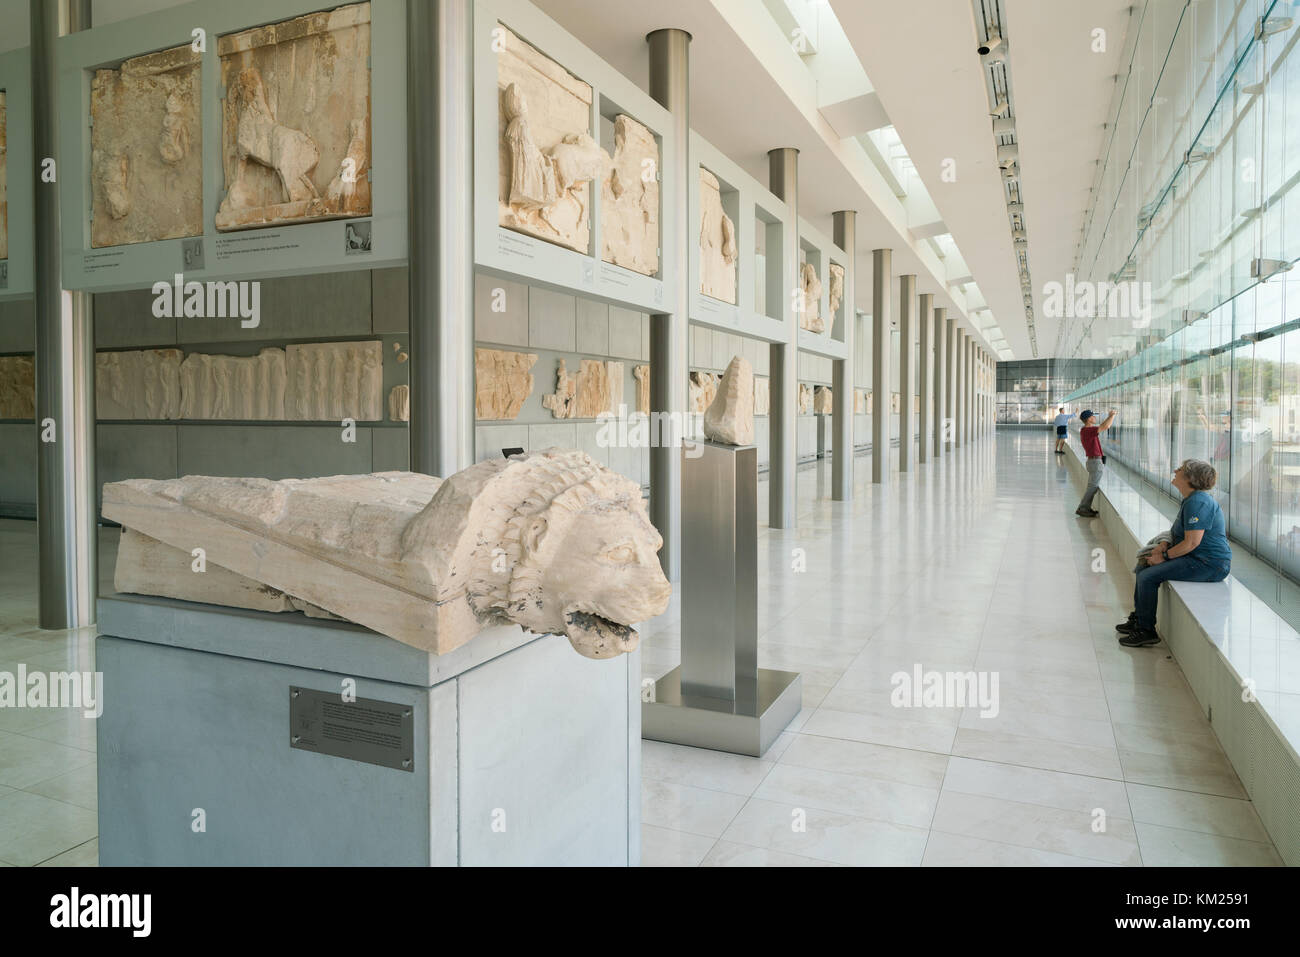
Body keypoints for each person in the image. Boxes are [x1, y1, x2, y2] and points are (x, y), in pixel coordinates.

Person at [1117, 459, 1231, 647]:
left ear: (1189, 478)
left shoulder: (1199, 502)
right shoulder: (1191, 500)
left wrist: (1164, 557)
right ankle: (1138, 617)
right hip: (1196, 557)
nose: (1175, 471)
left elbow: (1192, 542)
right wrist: (1163, 545)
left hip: (1209, 563)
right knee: (1143, 565)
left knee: (1147, 577)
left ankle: (1146, 630)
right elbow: (1179, 534)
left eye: (1180, 469)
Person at [1075, 408, 1117, 517]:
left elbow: (1106, 426)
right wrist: (1111, 415)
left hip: (1094, 461)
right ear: (1088, 419)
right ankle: (1083, 508)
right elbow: (1106, 426)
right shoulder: (1087, 431)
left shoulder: (1087, 430)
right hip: (1095, 462)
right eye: (1093, 416)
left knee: (1092, 486)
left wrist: (1111, 417)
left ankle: (1085, 507)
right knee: (1092, 487)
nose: (1095, 418)